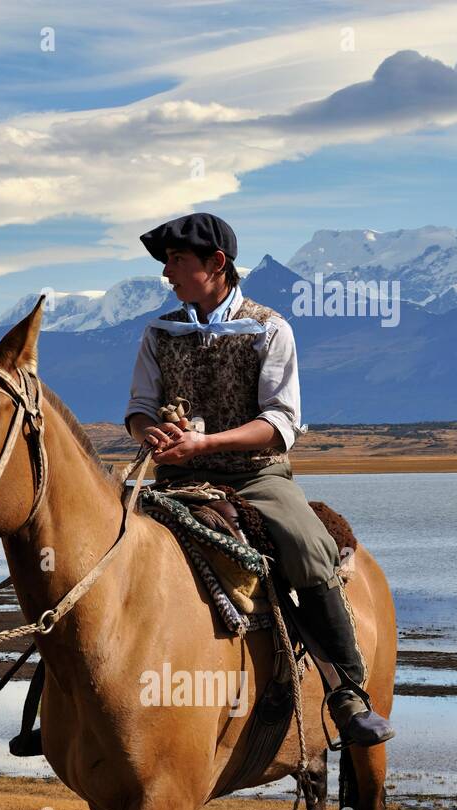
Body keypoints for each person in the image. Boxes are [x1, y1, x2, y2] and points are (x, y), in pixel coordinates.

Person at [124, 212, 394, 747]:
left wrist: (207, 443)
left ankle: (345, 691)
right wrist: (151, 433)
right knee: (99, 543)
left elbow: (278, 424)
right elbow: (137, 408)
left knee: (307, 547)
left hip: (253, 478)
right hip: (175, 475)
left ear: (216, 263)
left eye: (176, 261)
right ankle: (71, 698)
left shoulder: (269, 329)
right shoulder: (159, 332)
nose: (167, 274)